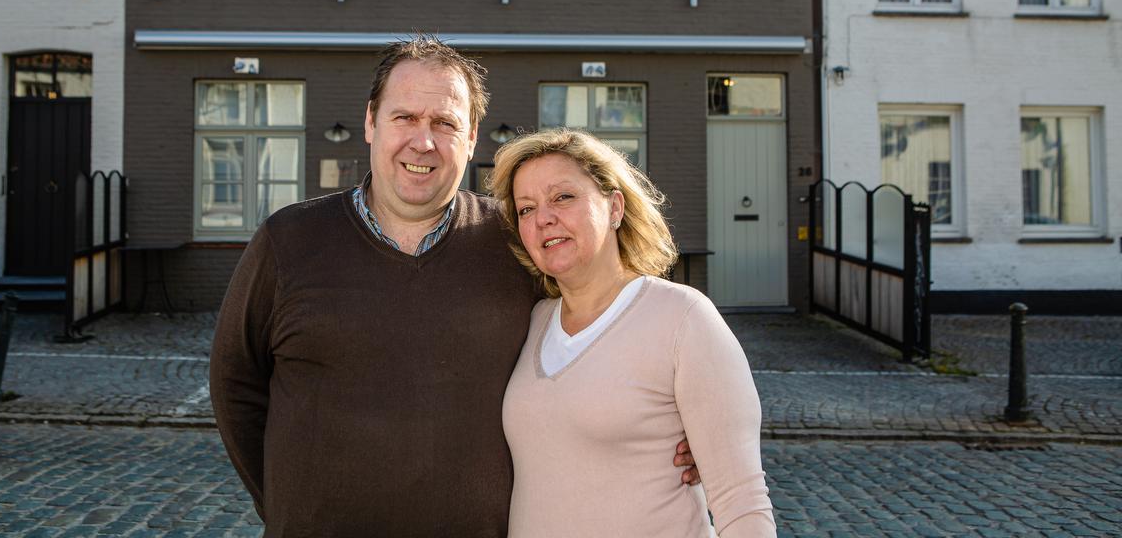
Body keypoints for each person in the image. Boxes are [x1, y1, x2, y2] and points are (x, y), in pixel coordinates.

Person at [210, 36, 697, 537]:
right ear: (371, 122)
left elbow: (599, 336)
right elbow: (235, 384)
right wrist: (288, 503)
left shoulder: (518, 243)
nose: (423, 142)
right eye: (405, 118)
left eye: (445, 123)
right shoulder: (289, 241)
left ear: (470, 141)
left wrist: (679, 425)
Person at [491, 128, 776, 537]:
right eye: (526, 209)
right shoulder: (533, 321)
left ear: (614, 207)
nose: (544, 219)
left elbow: (742, 504)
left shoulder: (682, 317)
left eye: (563, 197)